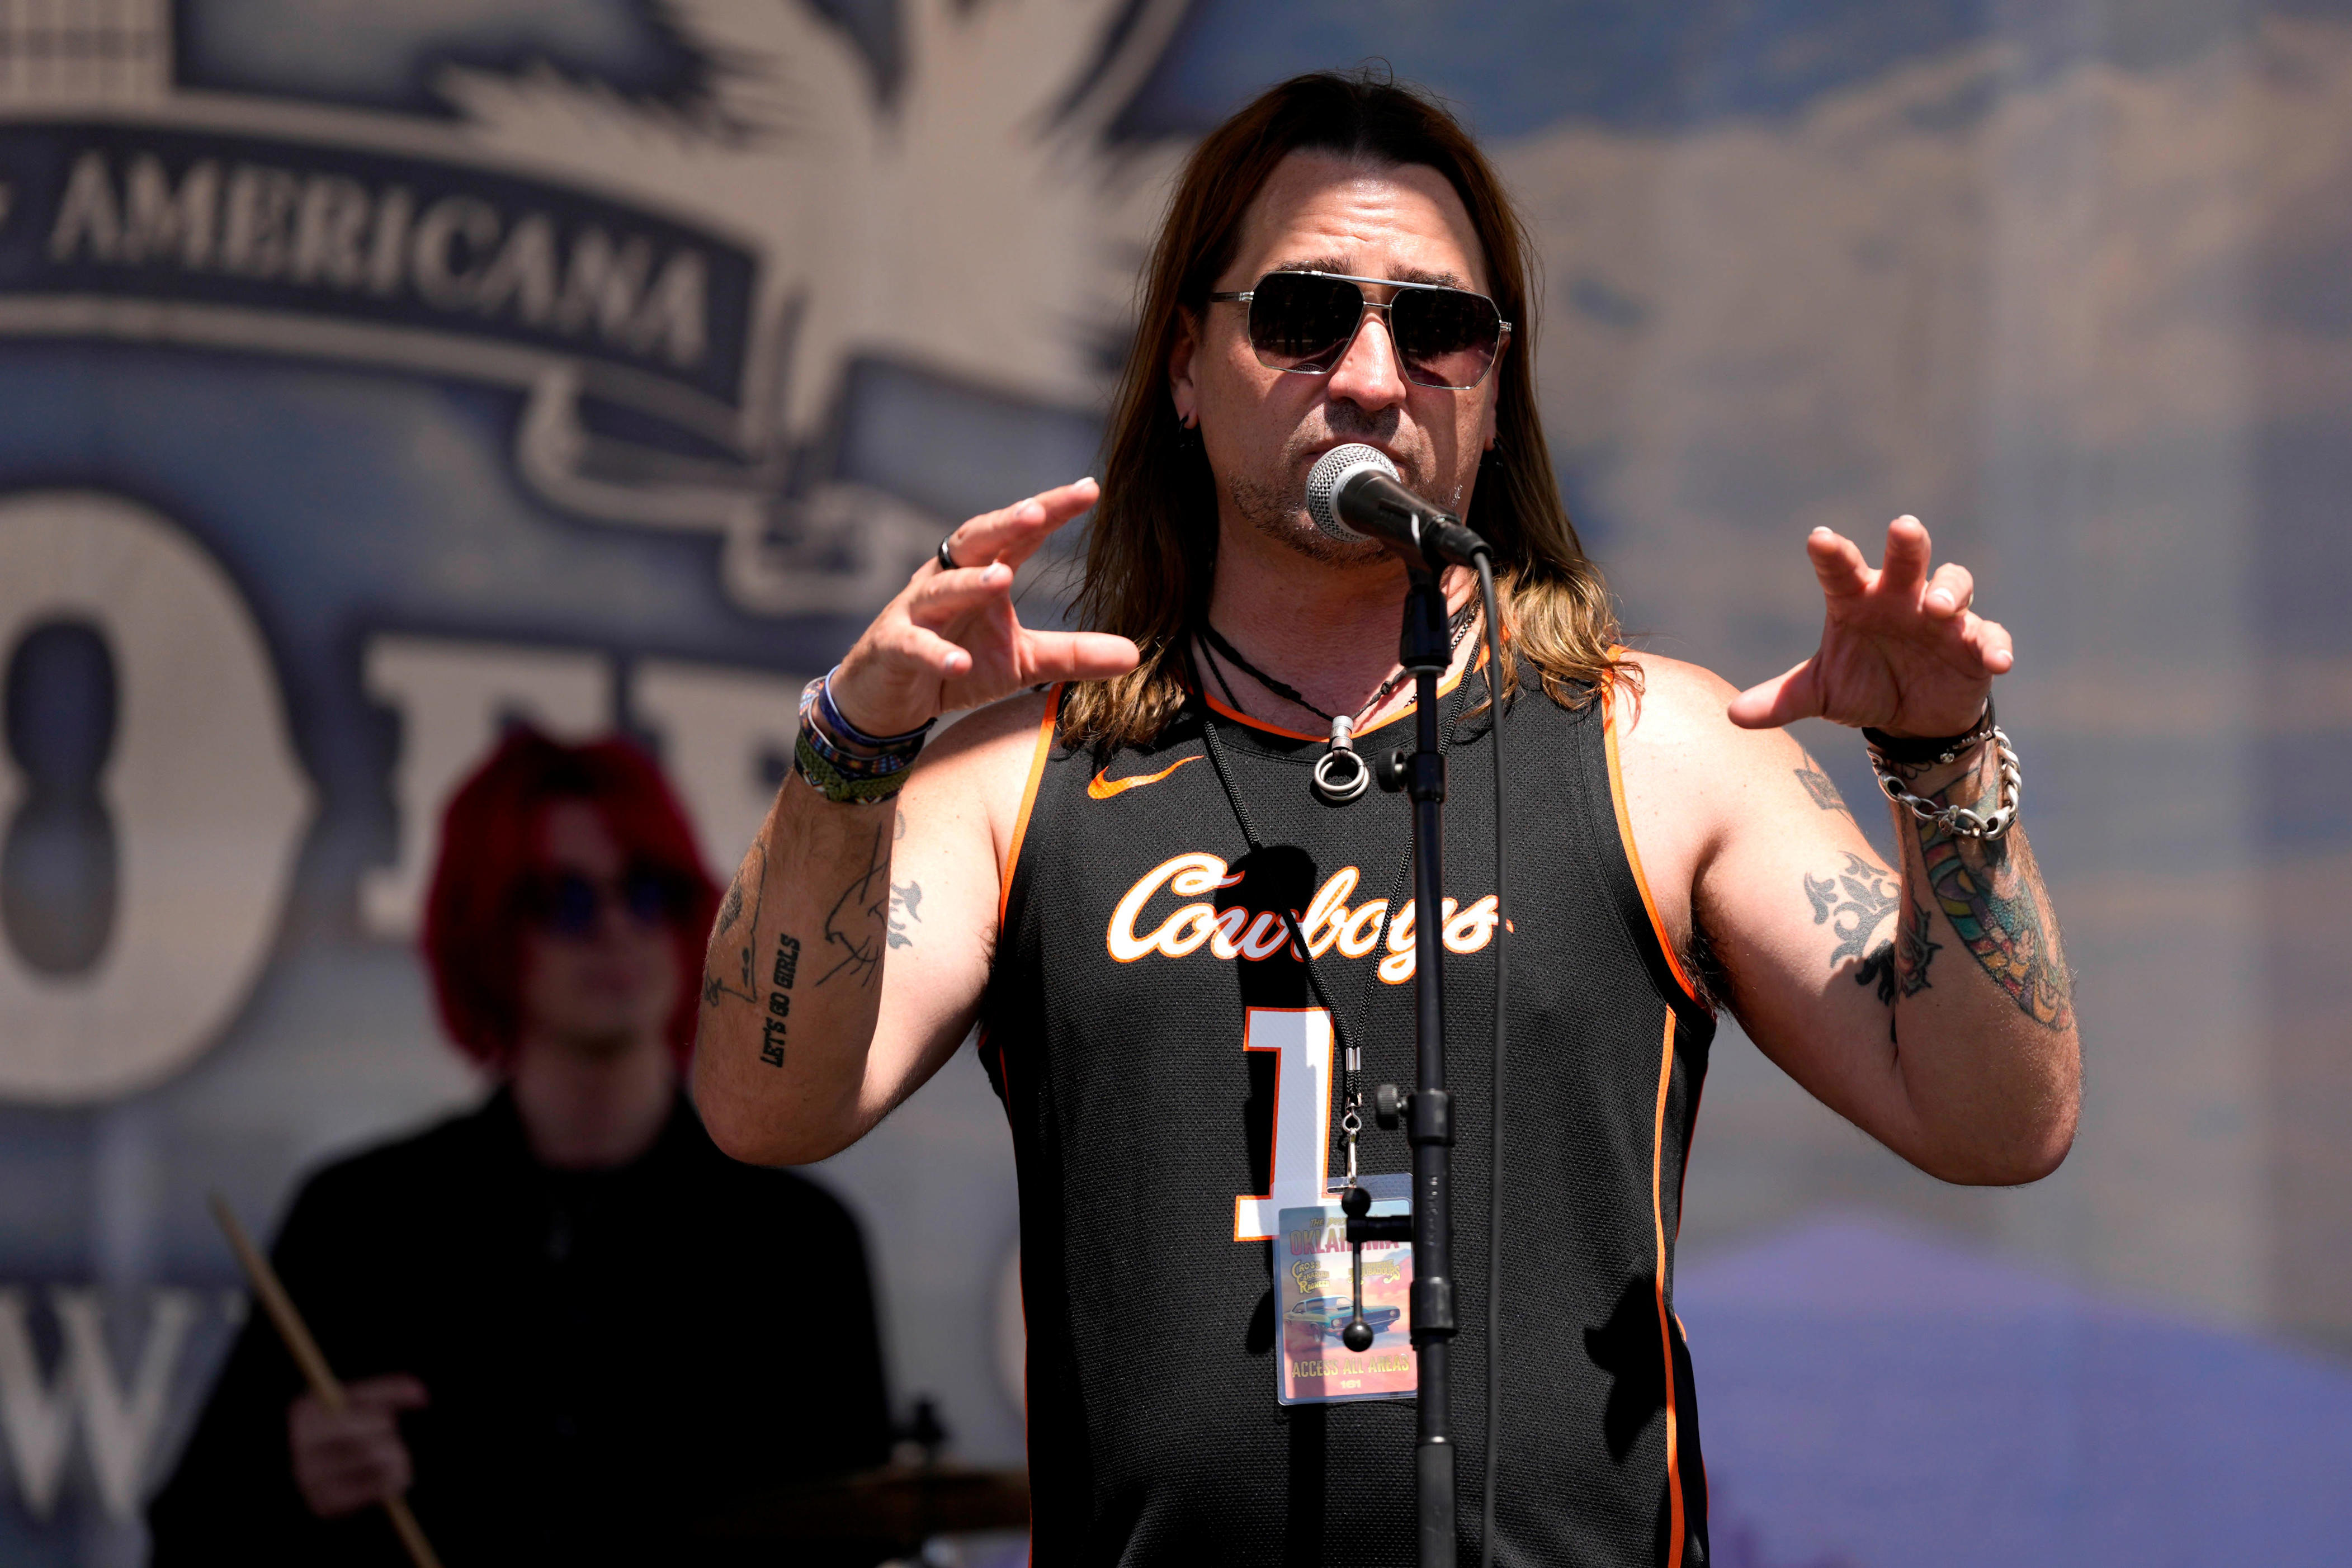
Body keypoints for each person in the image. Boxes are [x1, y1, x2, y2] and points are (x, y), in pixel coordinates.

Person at [691, 70, 2080, 1568]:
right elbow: (764, 1107)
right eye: (1301, 316)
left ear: (1494, 387)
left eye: (1436, 328)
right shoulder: (1023, 778)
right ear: (1184, 363)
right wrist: (853, 748)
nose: (1370, 376)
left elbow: (1997, 1123)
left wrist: (1942, 757)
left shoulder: (1659, 749)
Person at [150, 729, 893, 1565]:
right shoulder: (359, 1221)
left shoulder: (799, 1247)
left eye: (645, 890)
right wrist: (288, 1489)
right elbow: (185, 1542)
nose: (614, 928)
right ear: (489, 932)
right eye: (564, 901)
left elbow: (861, 1544)